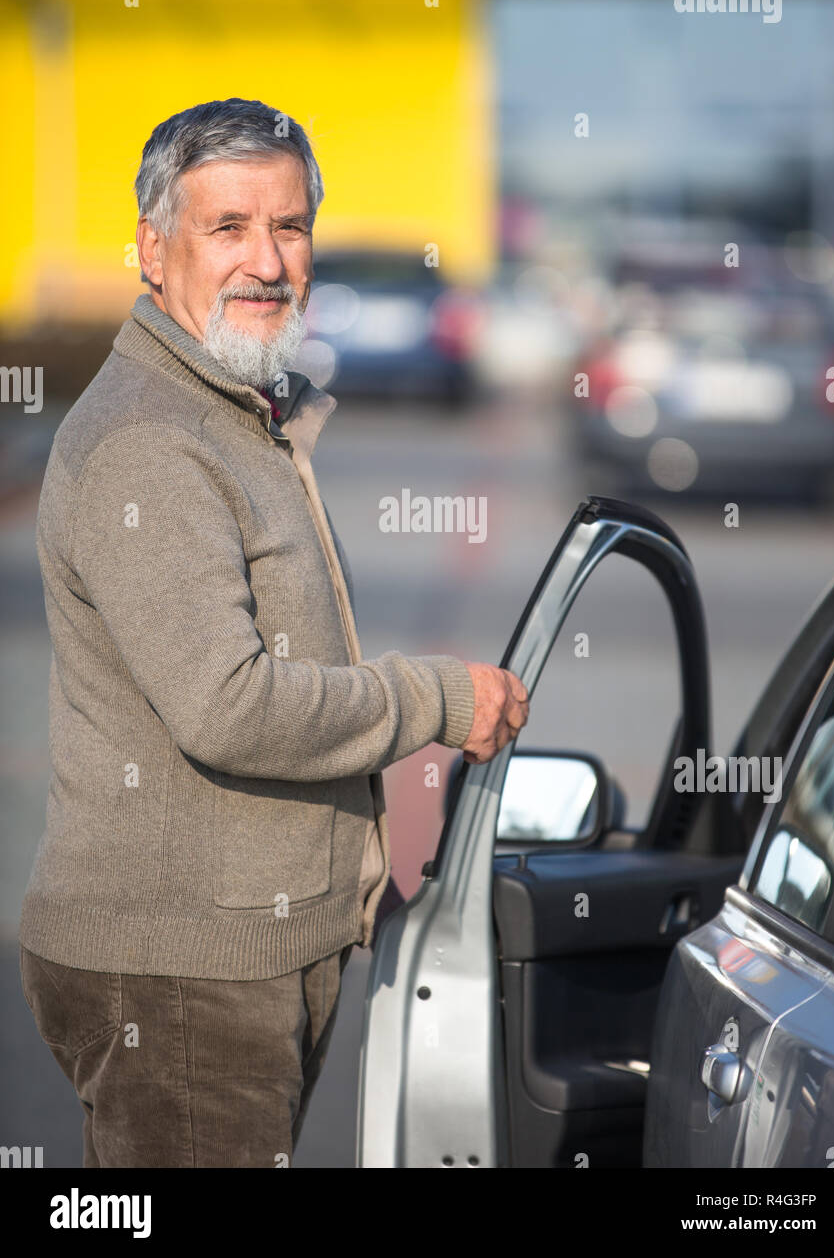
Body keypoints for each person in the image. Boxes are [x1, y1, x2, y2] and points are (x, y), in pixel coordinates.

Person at [18, 98, 529, 1168]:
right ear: (154, 251)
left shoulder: (234, 405)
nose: (267, 260)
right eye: (228, 228)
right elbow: (230, 704)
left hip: (231, 960)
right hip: (185, 981)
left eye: (289, 227)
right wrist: (434, 699)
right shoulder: (152, 444)